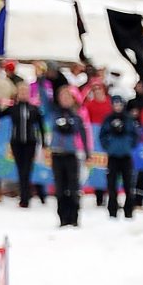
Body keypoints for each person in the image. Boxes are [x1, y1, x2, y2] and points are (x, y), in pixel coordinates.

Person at [0, 82, 47, 208]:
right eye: (21, 92)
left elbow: (41, 126)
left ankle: (26, 198)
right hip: (16, 142)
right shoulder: (13, 108)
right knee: (20, 169)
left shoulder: (34, 109)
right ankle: (24, 196)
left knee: (27, 170)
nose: (24, 94)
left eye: (26, 92)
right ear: (18, 93)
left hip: (30, 142)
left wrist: (44, 142)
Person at [49, 85, 89, 227]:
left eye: (68, 97)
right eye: (62, 97)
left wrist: (87, 151)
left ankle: (74, 217)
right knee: (60, 187)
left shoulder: (76, 116)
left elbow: (83, 133)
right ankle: (62, 217)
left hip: (71, 154)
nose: (65, 100)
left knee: (73, 186)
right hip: (57, 153)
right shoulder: (54, 113)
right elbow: (43, 100)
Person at [99, 95, 139, 219]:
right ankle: (112, 210)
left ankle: (129, 211)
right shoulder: (108, 119)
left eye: (119, 104)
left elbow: (135, 135)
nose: (117, 107)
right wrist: (109, 146)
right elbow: (102, 135)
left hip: (126, 156)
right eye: (115, 104)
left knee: (128, 185)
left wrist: (128, 144)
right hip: (113, 156)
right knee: (112, 185)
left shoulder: (128, 119)